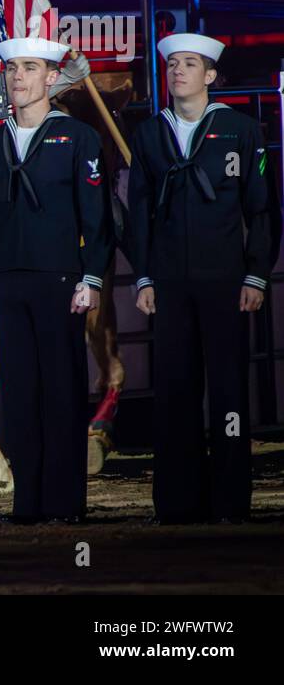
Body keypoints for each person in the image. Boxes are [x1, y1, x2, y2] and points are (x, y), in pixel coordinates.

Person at [127, 33, 279, 524]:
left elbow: (261, 208)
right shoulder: (151, 133)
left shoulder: (239, 130)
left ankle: (231, 500)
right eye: (173, 64)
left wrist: (256, 275)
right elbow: (140, 212)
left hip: (225, 279)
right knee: (175, 389)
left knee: (229, 392)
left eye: (189, 64)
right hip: (170, 280)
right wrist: (144, 276)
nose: (178, 72)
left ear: (210, 76)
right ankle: (177, 502)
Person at [0, 37, 112, 525]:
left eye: (29, 69)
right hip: (9, 282)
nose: (18, 77)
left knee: (61, 391)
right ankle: (27, 501)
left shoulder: (76, 138)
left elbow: (96, 216)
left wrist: (91, 276)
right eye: (12, 69)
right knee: (19, 395)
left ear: (52, 78)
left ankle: (66, 502)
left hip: (61, 281)